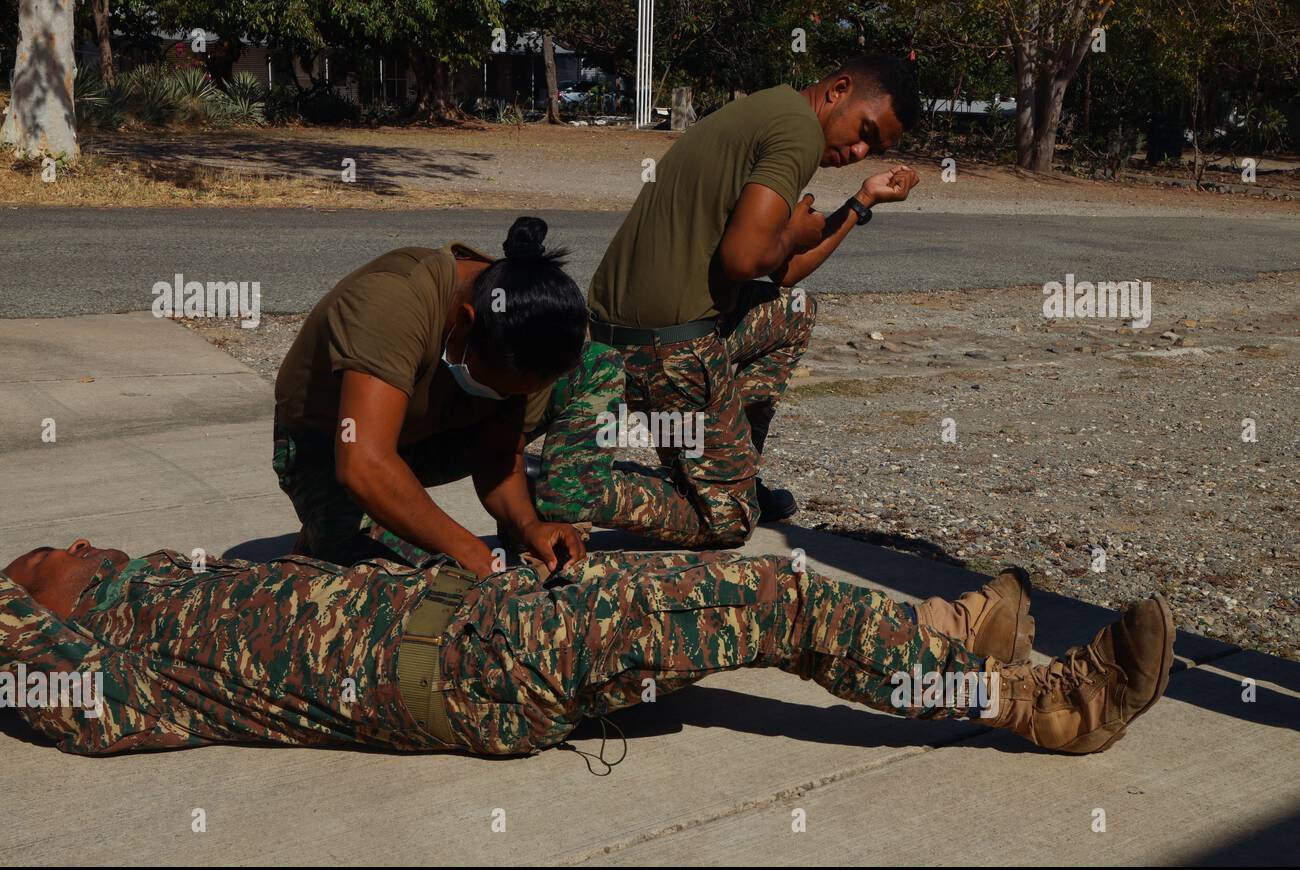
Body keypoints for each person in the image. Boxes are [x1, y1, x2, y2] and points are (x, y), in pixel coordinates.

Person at [1, 539, 1175, 758]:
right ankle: (1038, 702)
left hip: (494, 622)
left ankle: (929, 632)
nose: (84, 539)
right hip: (476, 672)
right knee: (771, 598)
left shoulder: (164, 588)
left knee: (754, 593)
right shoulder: (121, 675)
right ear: (47, 607)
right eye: (58, 552)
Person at [534, 54, 924, 549]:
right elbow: (746, 260)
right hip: (670, 350)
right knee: (730, 523)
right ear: (838, 89)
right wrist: (791, 235)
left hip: (618, 337)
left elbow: (787, 272)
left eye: (875, 148)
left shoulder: (771, 109)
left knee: (794, 313)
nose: (859, 150)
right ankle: (580, 491)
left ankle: (730, 465)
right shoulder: (798, 133)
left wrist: (861, 202)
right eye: (865, 130)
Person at [272, 216, 591, 578]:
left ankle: (374, 510)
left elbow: (500, 454)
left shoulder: (522, 327)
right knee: (407, 579)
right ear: (465, 323)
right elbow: (362, 464)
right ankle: (331, 523)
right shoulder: (392, 302)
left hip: (421, 434)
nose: (503, 398)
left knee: (600, 362)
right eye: (498, 388)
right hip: (329, 447)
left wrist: (527, 526)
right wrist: (473, 552)